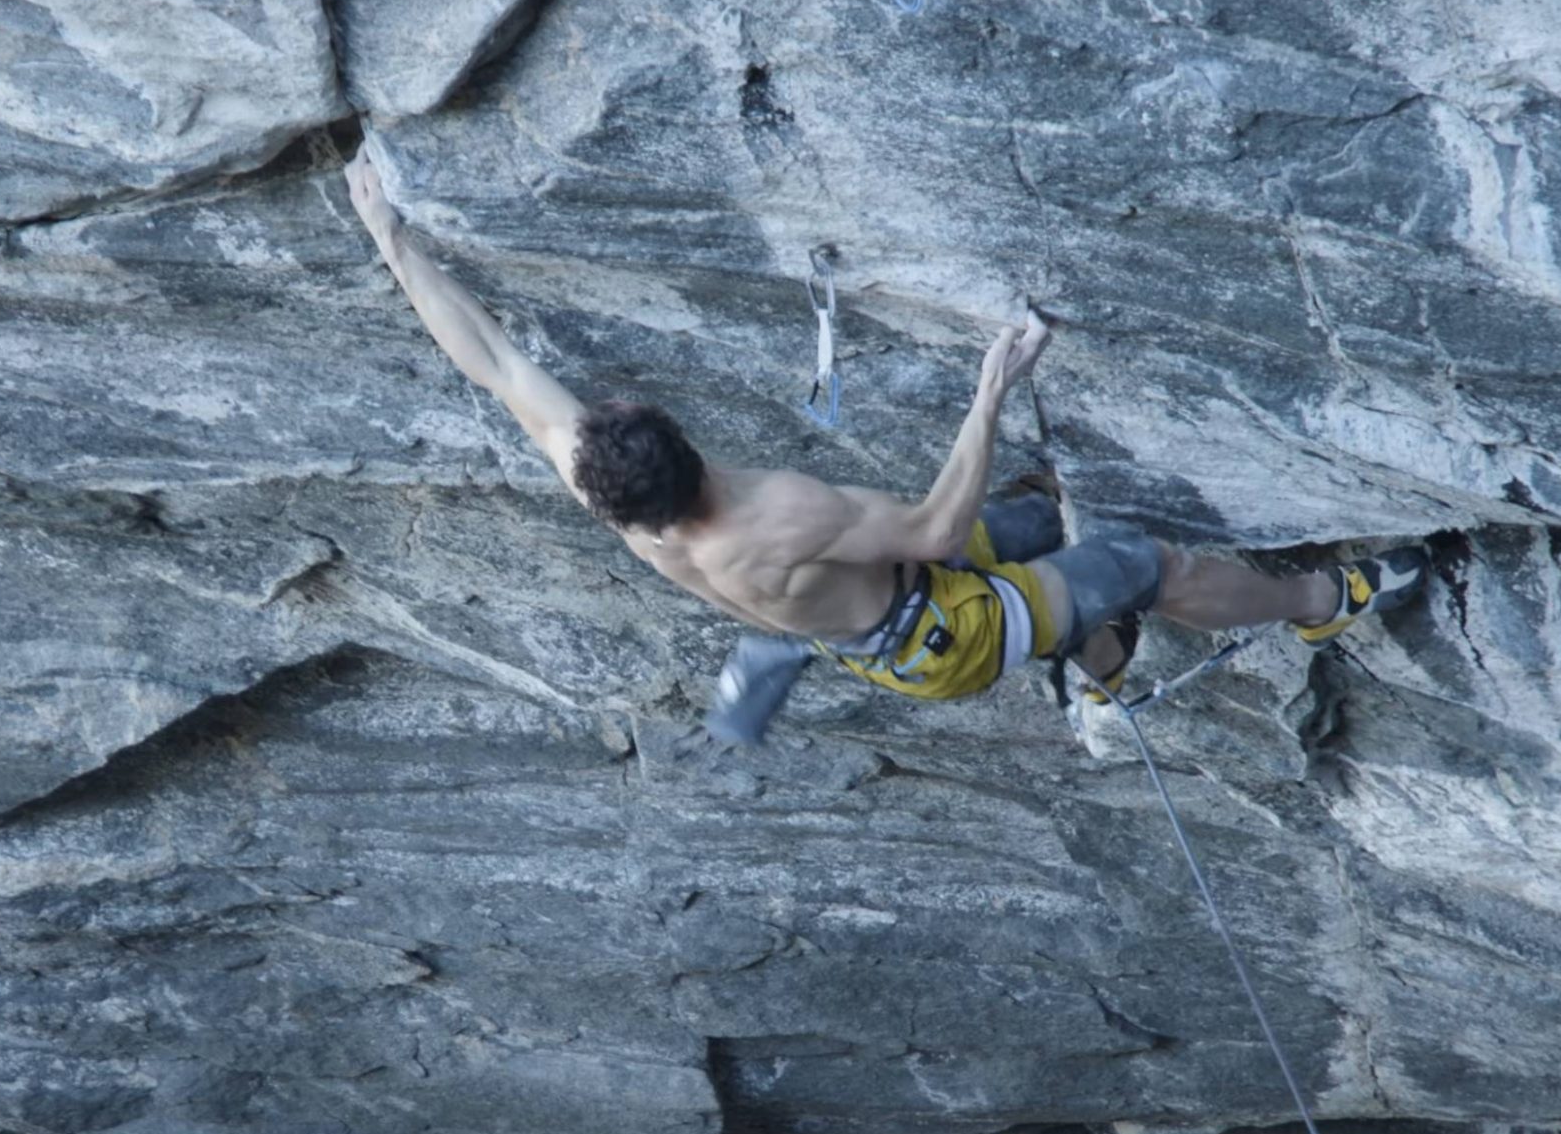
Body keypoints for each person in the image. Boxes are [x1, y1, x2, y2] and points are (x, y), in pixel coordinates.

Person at [341, 146, 1428, 743]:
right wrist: (988, 388)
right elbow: (937, 529)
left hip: (879, 611)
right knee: (1144, 562)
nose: (606, 398)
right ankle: (1317, 603)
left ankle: (1095, 666)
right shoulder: (777, 518)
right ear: (684, 447)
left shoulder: (608, 492)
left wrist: (390, 237)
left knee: (1043, 512)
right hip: (946, 633)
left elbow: (491, 359)